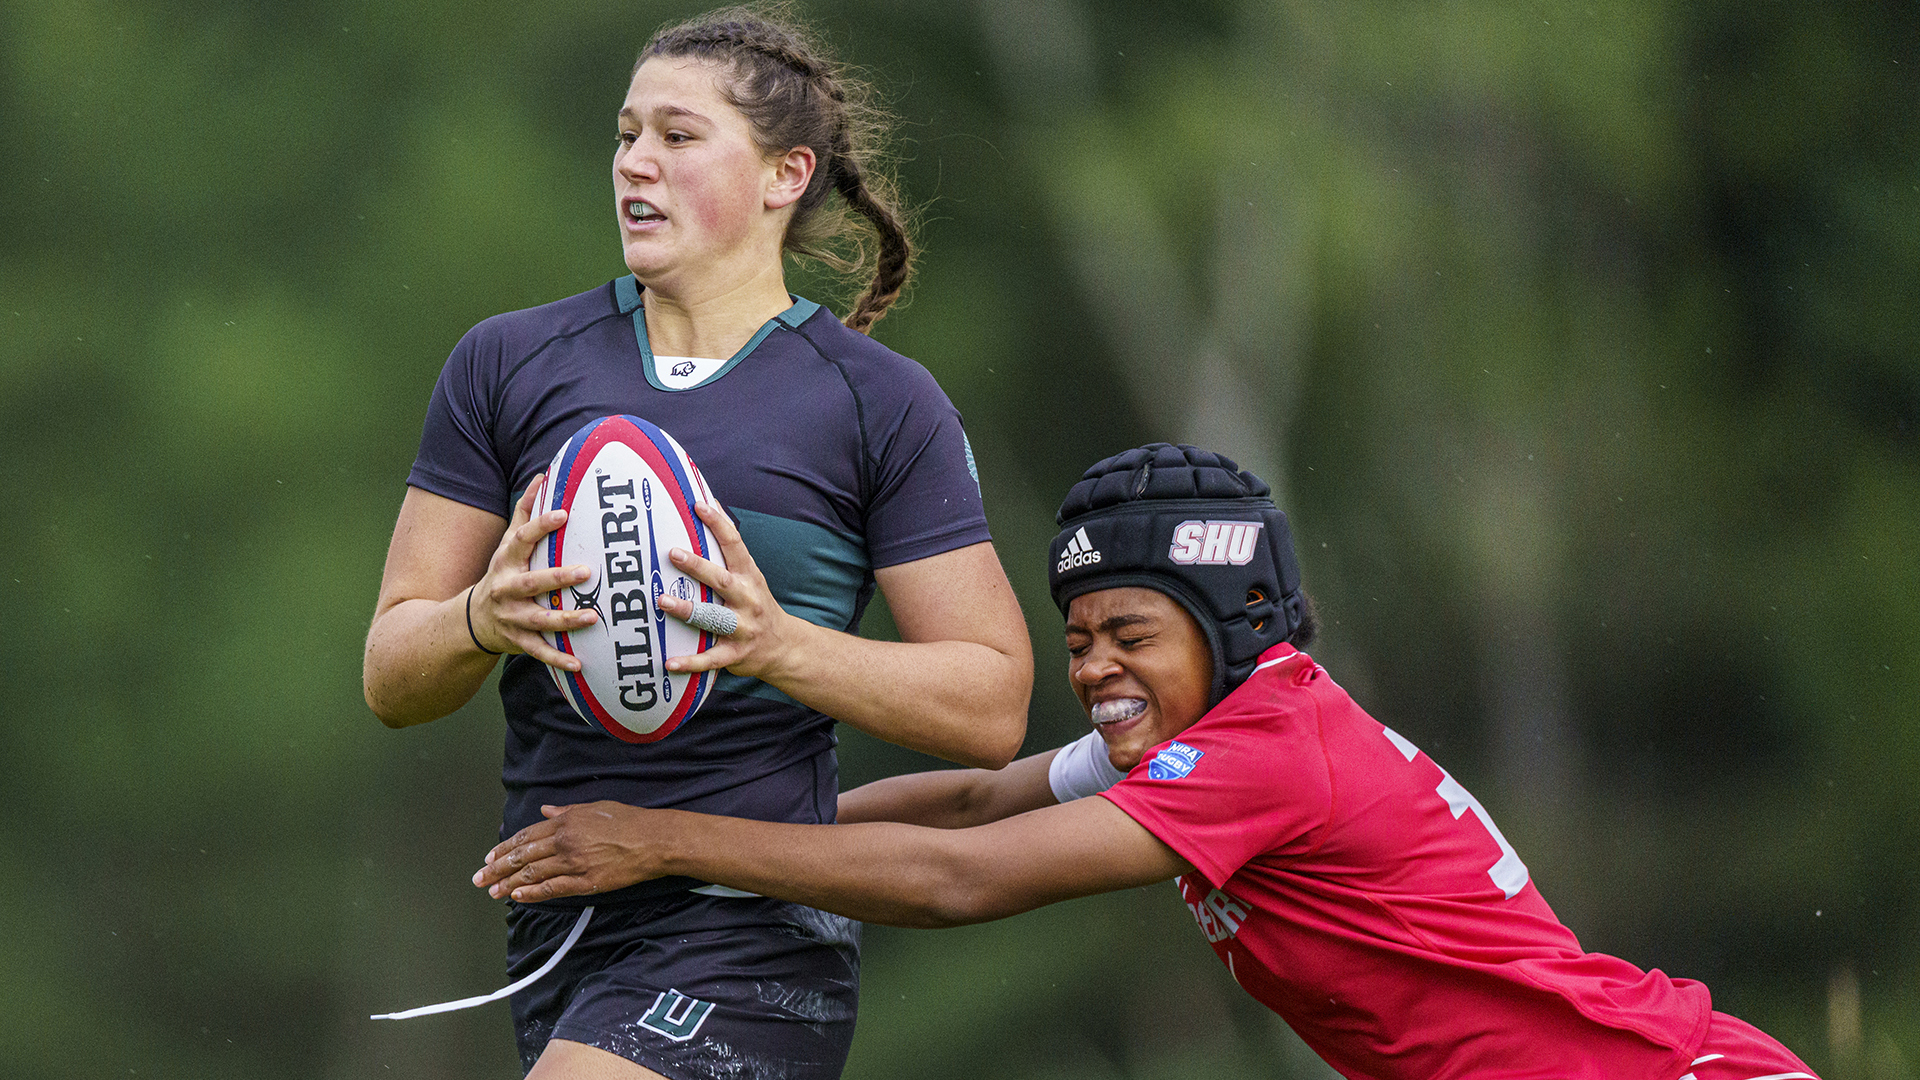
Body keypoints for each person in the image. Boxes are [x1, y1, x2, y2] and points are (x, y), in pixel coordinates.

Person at [476, 443, 1823, 1080]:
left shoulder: (1262, 753)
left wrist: (668, 846)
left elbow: (964, 879)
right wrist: (697, 837)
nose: (1094, 669)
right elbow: (980, 794)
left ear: (1235, 625)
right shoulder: (1217, 741)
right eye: (1077, 640)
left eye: (1130, 633)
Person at [363, 5, 1032, 1078]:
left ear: (784, 175)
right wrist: (479, 619)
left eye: (678, 137)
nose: (635, 164)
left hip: (756, 933)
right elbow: (392, 676)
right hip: (558, 930)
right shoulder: (506, 364)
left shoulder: (877, 406)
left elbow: (992, 706)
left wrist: (777, 646)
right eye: (626, 135)